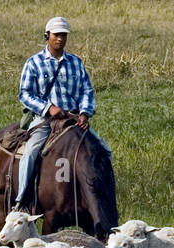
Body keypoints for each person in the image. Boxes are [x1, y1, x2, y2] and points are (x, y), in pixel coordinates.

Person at [11, 16, 113, 213]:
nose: (60, 39)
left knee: (104, 151)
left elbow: (87, 91)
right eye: (56, 35)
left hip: (74, 120)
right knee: (31, 152)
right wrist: (48, 108)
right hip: (45, 119)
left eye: (63, 35)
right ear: (47, 36)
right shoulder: (34, 63)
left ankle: (105, 200)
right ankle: (22, 200)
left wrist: (84, 113)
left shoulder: (76, 62)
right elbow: (24, 94)